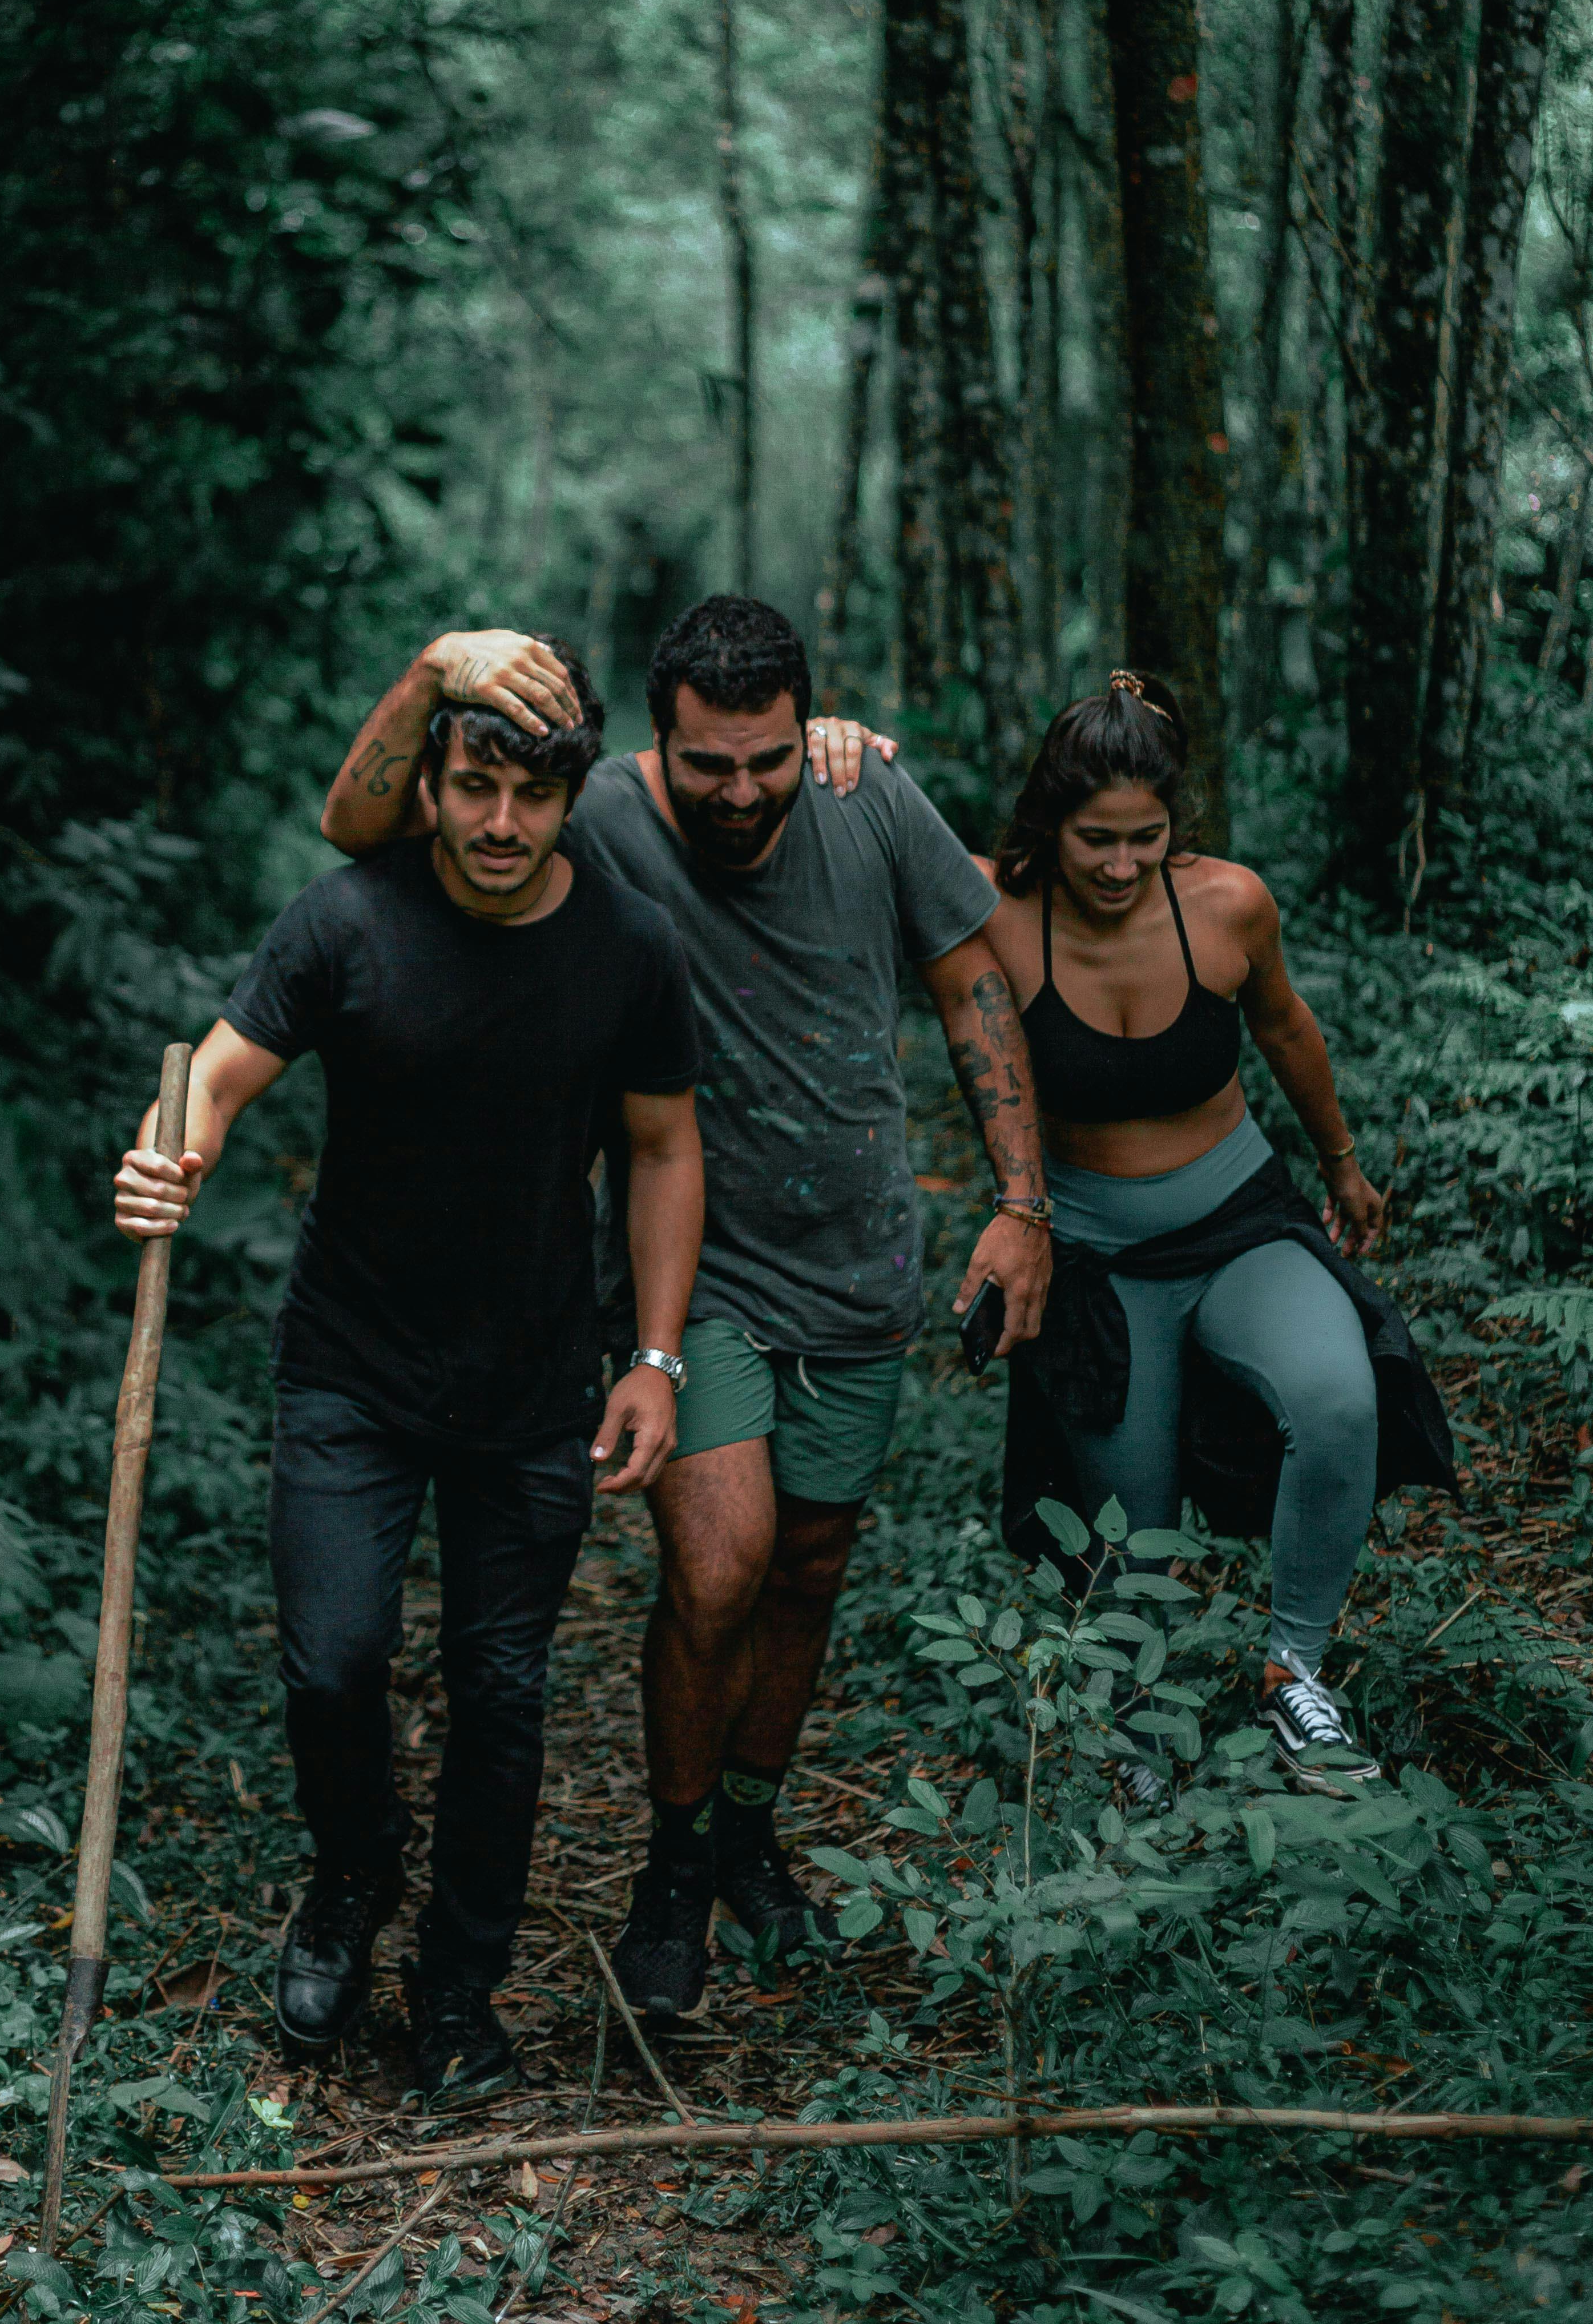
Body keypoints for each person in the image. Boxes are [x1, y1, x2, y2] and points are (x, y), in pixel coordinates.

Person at [320, 595, 1051, 2017]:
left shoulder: (868, 791)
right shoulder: (581, 811)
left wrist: (1022, 1206)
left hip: (859, 1258)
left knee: (810, 1571)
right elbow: (361, 829)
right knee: (723, 1564)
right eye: (708, 763)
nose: (741, 791)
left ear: (805, 728)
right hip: (694, 1265)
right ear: (657, 745)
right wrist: (433, 673)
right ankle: (671, 1862)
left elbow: (972, 984)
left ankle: (748, 1836)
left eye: (768, 758)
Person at [114, 640, 704, 2103]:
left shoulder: (628, 946)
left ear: (574, 798)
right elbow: (220, 1071)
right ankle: (352, 1871)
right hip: (353, 1367)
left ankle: (458, 1985)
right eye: (473, 788)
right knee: (334, 1659)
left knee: (503, 1688)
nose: (500, 825)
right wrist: (165, 1157)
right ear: (431, 786)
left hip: (531, 1376)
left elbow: (662, 1147)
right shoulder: (347, 922)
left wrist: (655, 1357)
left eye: (530, 797)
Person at [912, 668, 1453, 1797]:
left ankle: (1295, 1672)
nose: (1118, 867)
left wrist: (1342, 1164)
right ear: (1047, 823)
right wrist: (834, 742)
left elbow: (1289, 1030)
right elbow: (868, 829)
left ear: (1177, 826)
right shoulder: (991, 911)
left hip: (1239, 1217)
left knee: (1339, 1398)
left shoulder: (1227, 905)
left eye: (1144, 840)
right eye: (1093, 840)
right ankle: (1139, 1723)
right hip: (1101, 1259)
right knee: (1128, 1529)